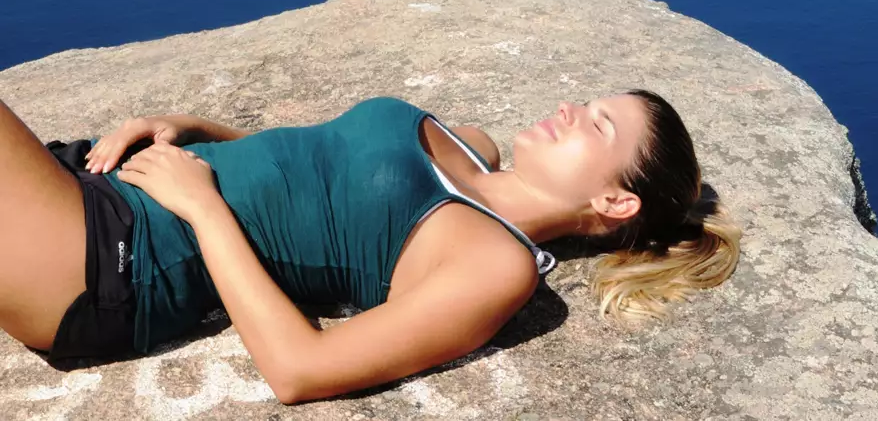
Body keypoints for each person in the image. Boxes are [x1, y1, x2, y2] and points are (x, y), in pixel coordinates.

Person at [0, 91, 741, 403]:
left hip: (115, 262)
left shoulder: (496, 265)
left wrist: (202, 206)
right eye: (593, 102)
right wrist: (191, 129)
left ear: (614, 202)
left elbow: (301, 370)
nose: (574, 109)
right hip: (101, 182)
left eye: (599, 127)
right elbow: (311, 173)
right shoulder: (468, 144)